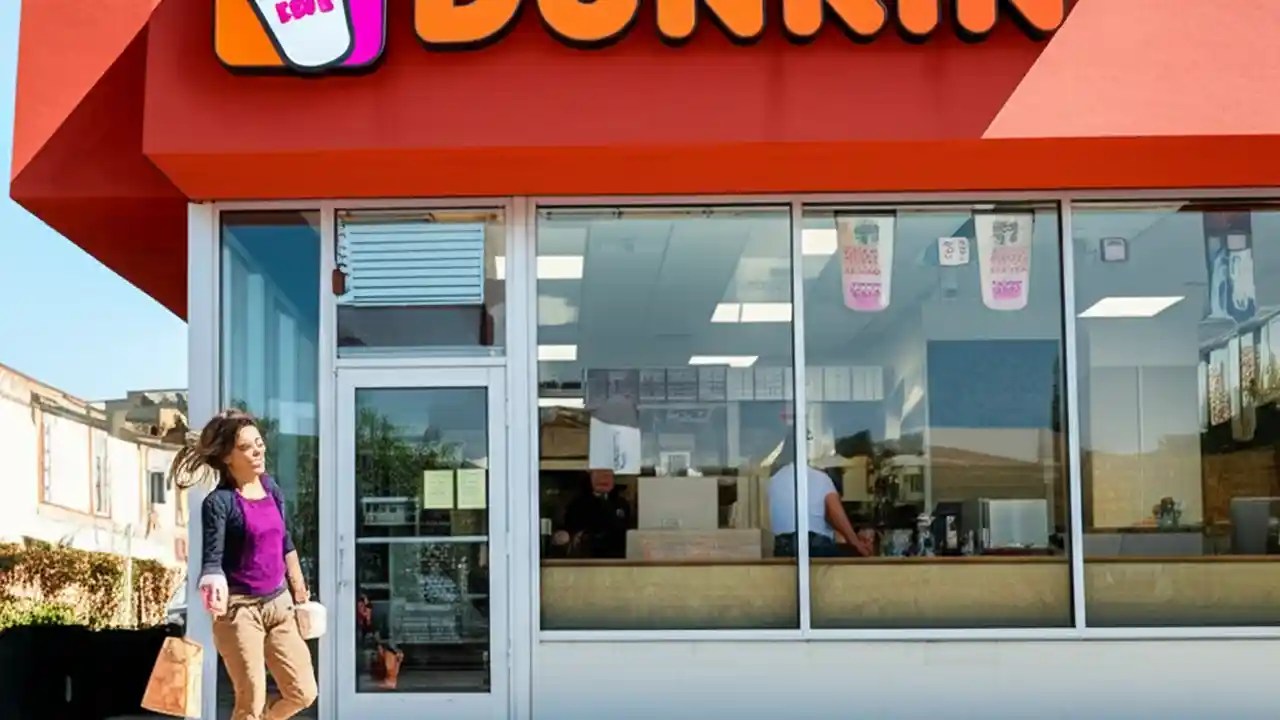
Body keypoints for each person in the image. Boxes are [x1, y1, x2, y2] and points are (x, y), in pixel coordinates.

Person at [173, 409, 318, 720]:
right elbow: (212, 558)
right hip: (240, 612)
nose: (258, 451)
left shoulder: (271, 488)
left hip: (280, 606)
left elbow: (285, 541)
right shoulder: (219, 502)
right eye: (246, 447)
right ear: (227, 457)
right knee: (249, 702)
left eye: (260, 443)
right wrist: (211, 581)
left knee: (303, 692)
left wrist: (300, 590)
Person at [768, 434, 874, 558]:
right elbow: (836, 514)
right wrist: (856, 544)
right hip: (815, 545)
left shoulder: (773, 480)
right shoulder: (820, 478)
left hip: (782, 547)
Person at [560, 469, 632, 559]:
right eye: (599, 473)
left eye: (608, 474)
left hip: (617, 560)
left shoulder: (622, 504)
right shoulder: (578, 504)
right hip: (588, 561)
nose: (604, 478)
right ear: (590, 476)